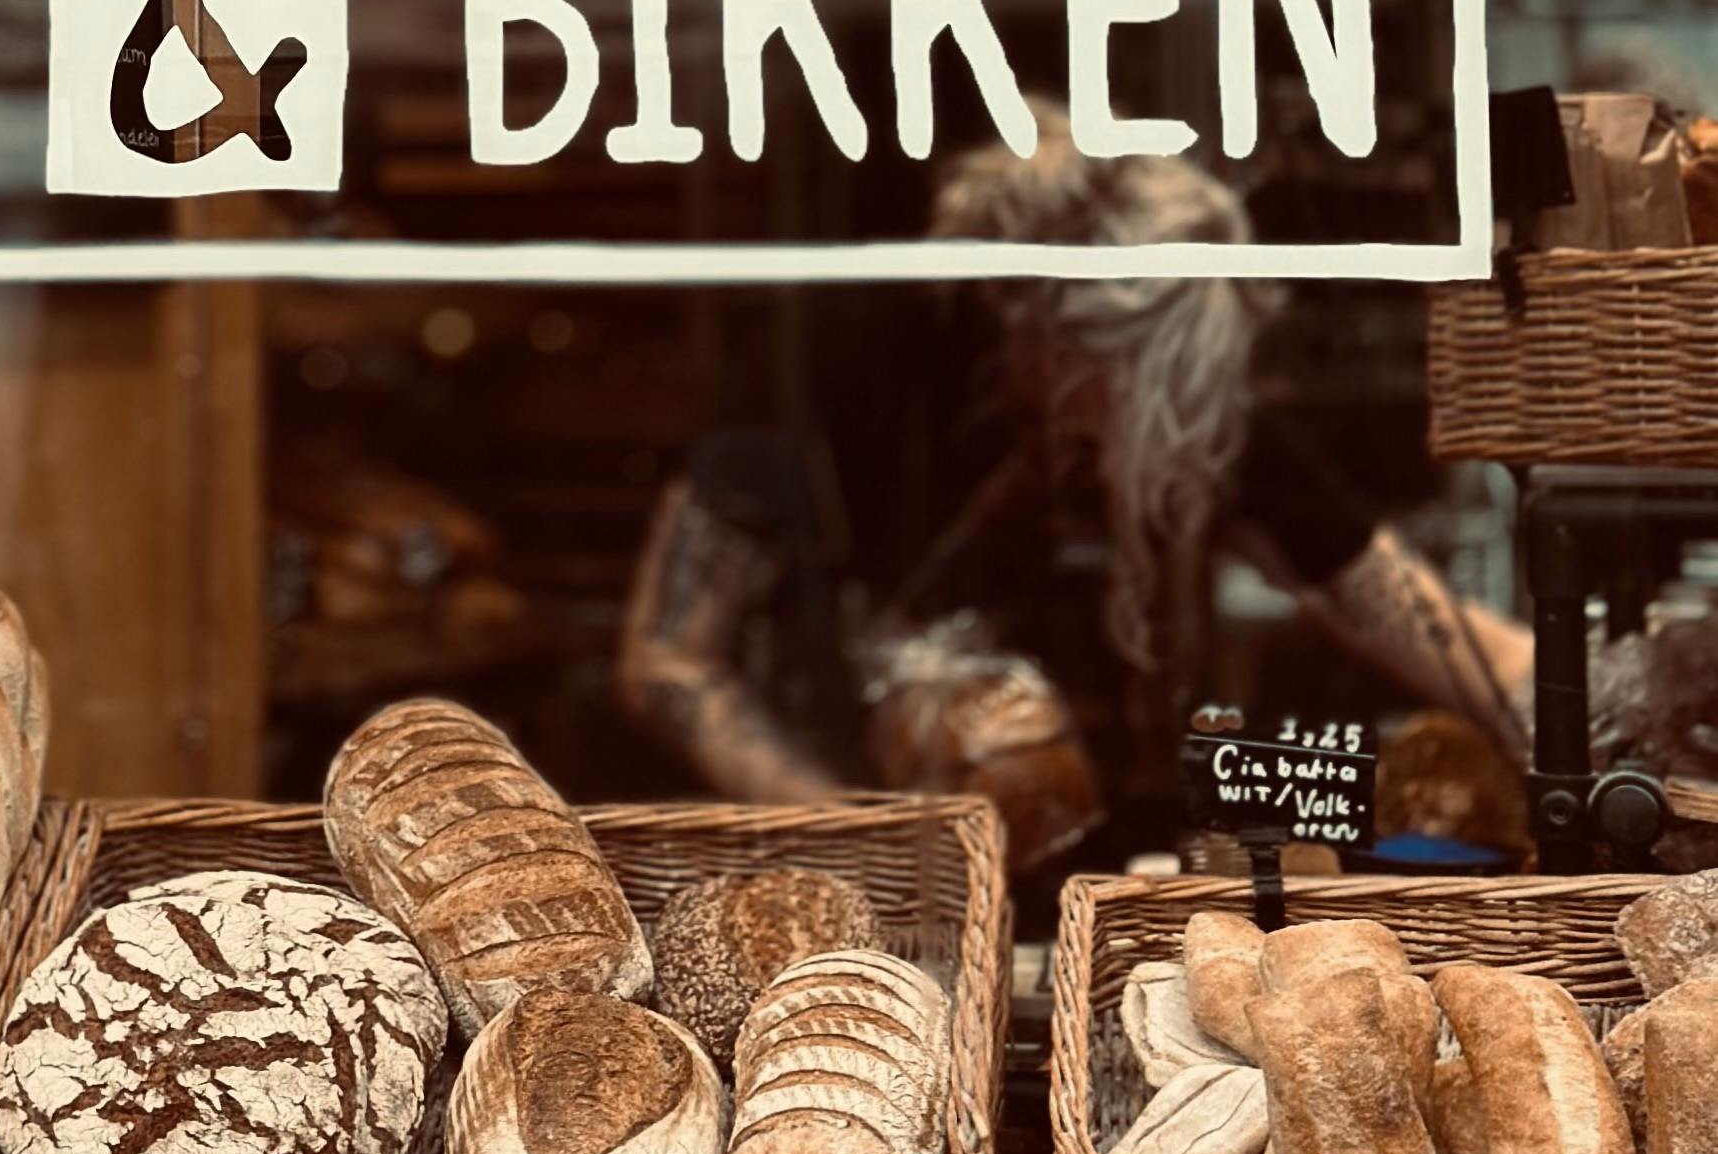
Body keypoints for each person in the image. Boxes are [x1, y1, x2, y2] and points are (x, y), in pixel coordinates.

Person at [618, 110, 1534, 878]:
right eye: (1123, 382)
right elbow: (669, 660)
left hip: (1107, 881)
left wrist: (1590, 710)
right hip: (847, 873)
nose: (1151, 426)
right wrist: (872, 843)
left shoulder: (1181, 410)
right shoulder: (832, 363)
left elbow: (1414, 618)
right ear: (1051, 327)